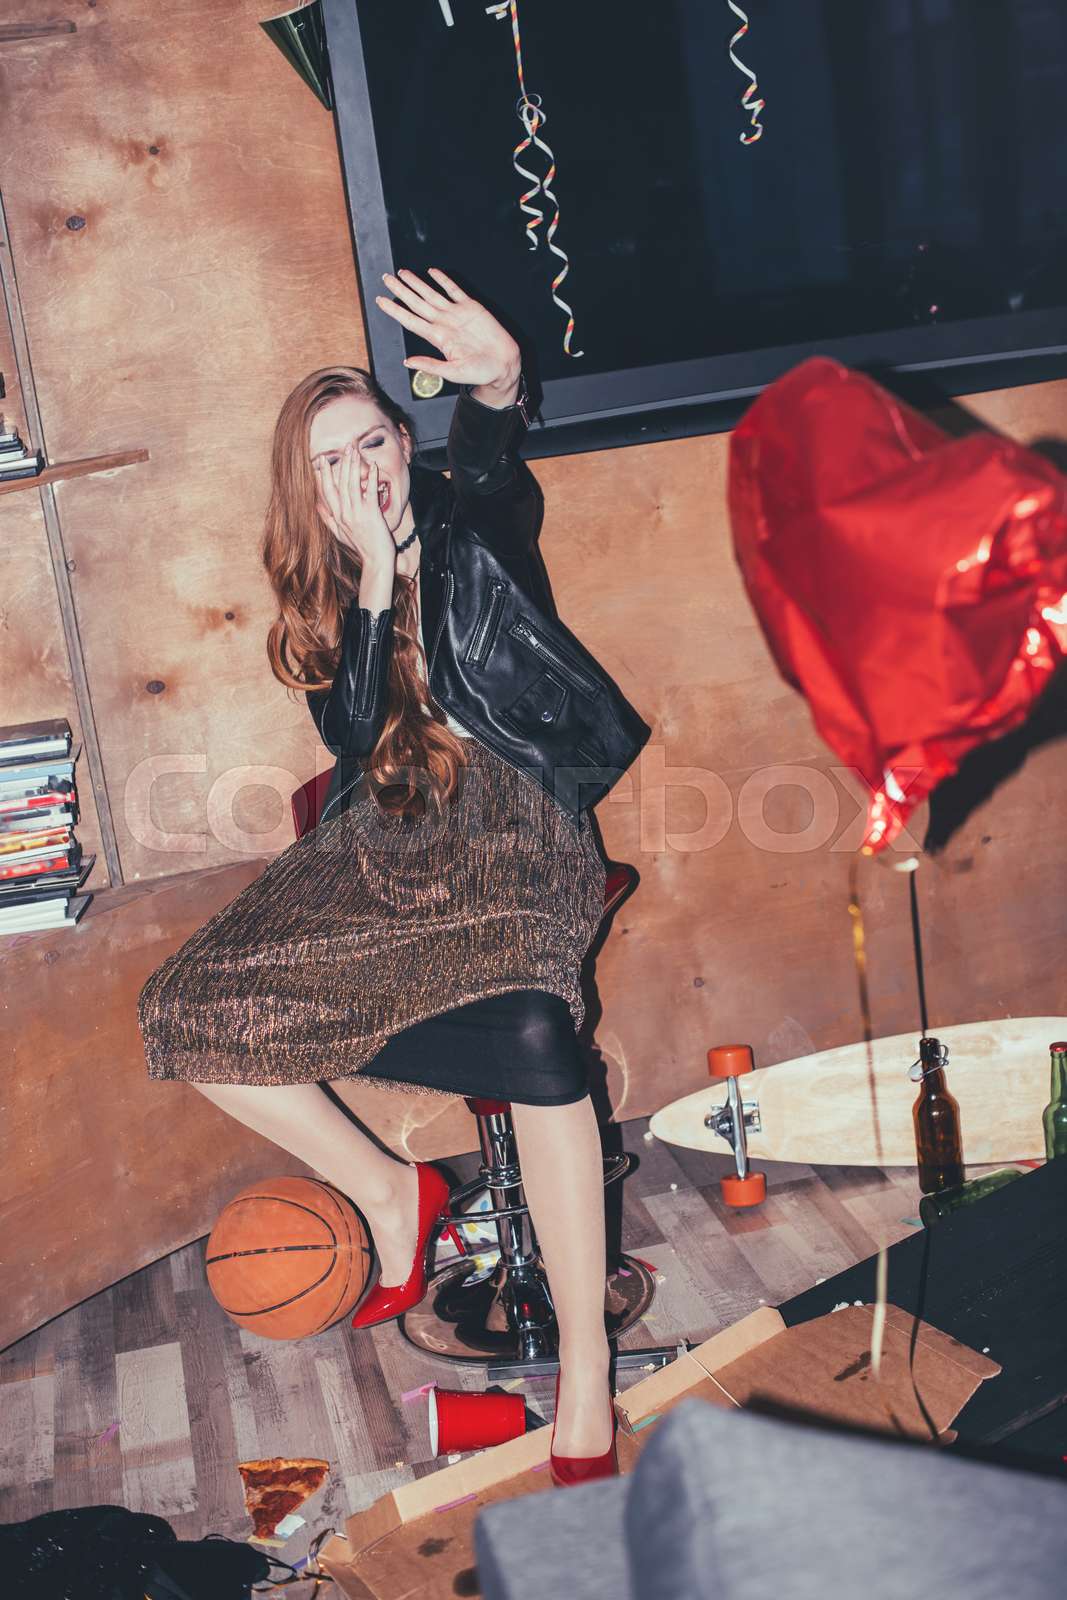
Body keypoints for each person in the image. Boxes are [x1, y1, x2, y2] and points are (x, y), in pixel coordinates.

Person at [138, 268, 649, 1485]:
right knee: (183, 1012)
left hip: (513, 829)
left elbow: (493, 459)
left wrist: (502, 380)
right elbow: (355, 733)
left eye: (372, 438)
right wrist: (372, 573)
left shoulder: (476, 528)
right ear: (303, 489)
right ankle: (386, 1186)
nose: (359, 468)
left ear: (404, 440)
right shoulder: (324, 596)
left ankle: (585, 1375)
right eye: (329, 460)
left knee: (535, 1036)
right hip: (380, 849)